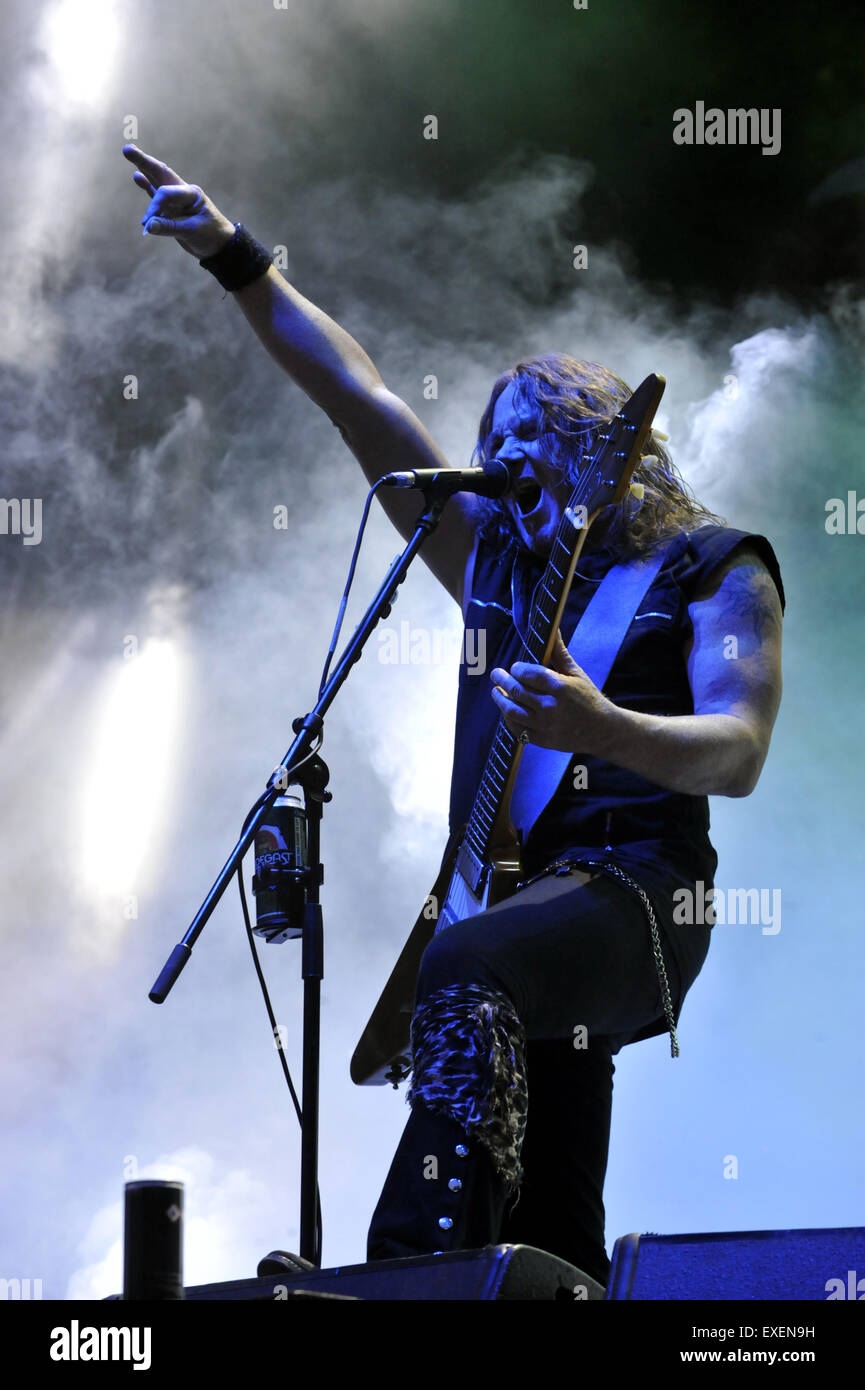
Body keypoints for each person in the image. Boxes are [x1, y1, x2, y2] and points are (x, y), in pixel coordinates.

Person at [123, 145, 785, 1287]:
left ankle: (407, 1268)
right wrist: (231, 256)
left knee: (470, 960)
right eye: (490, 441)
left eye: (532, 430)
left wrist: (609, 731)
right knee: (558, 1205)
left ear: (600, 439)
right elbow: (355, 395)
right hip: (532, 916)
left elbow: (738, 752)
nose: (501, 456)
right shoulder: (493, 572)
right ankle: (529, 1276)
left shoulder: (712, 567)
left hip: (640, 891)